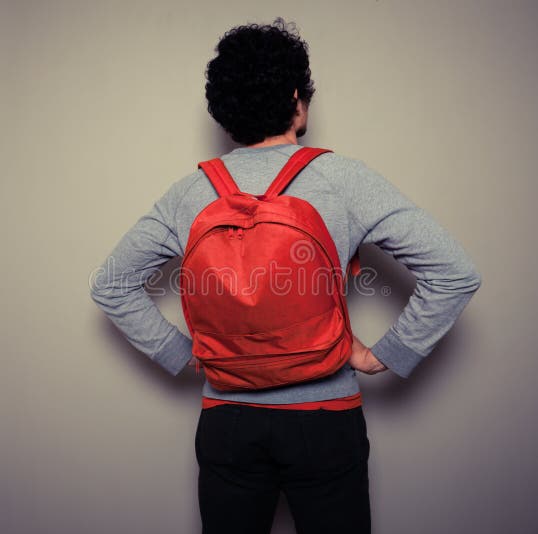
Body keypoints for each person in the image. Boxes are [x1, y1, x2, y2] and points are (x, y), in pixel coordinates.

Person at [89, 17, 482, 534]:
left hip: (227, 421)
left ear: (224, 111)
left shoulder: (189, 193)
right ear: (297, 99)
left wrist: (187, 355)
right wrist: (383, 354)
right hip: (325, 418)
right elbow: (454, 272)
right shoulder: (343, 179)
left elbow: (110, 285)